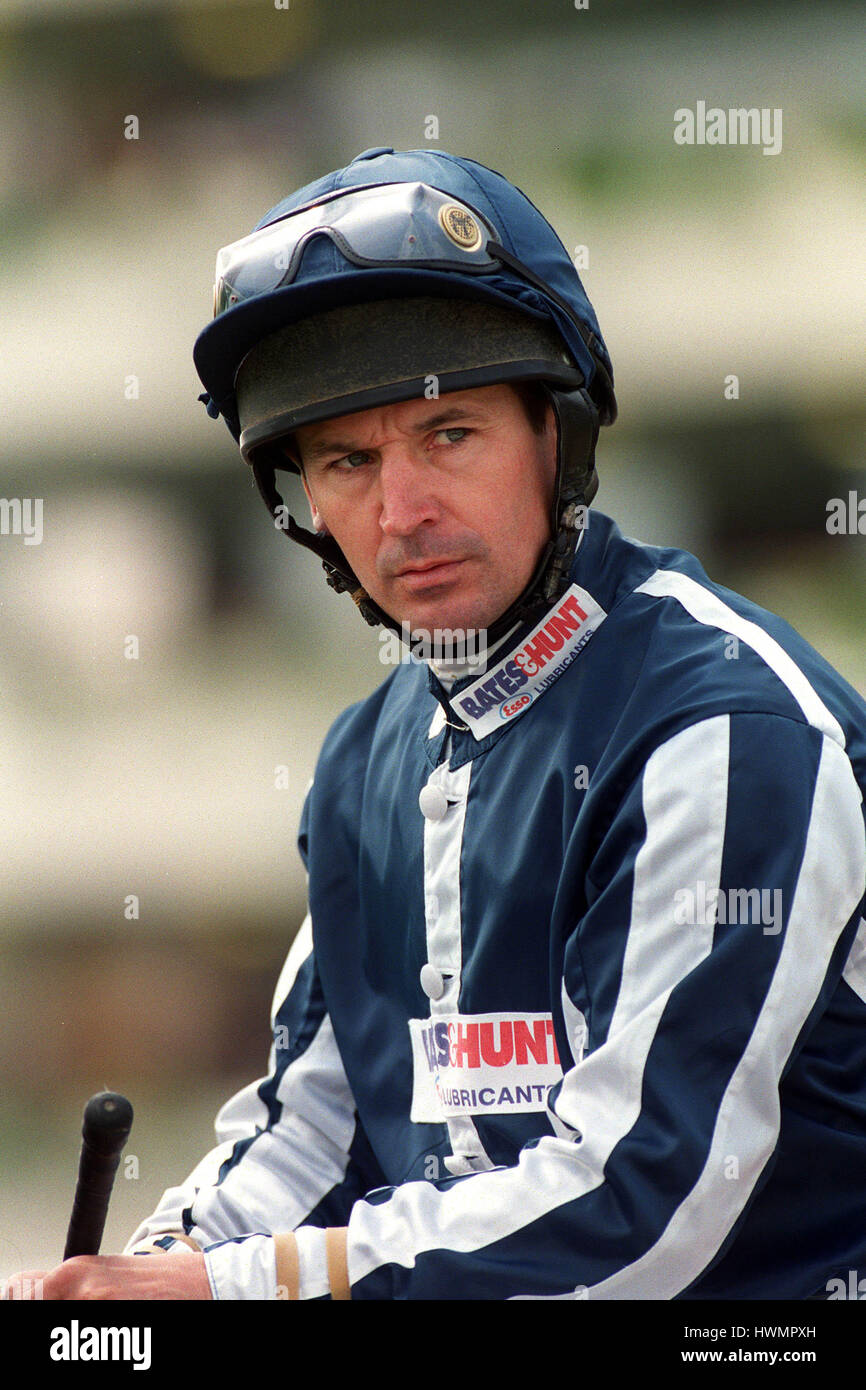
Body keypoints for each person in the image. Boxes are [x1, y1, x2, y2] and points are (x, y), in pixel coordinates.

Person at [8, 147, 866, 1302]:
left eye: (447, 434)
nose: (401, 511)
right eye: (347, 460)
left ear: (556, 436)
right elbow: (309, 1140)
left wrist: (232, 1290)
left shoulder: (723, 731)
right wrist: (134, 1277)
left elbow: (643, 1199)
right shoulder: (363, 762)